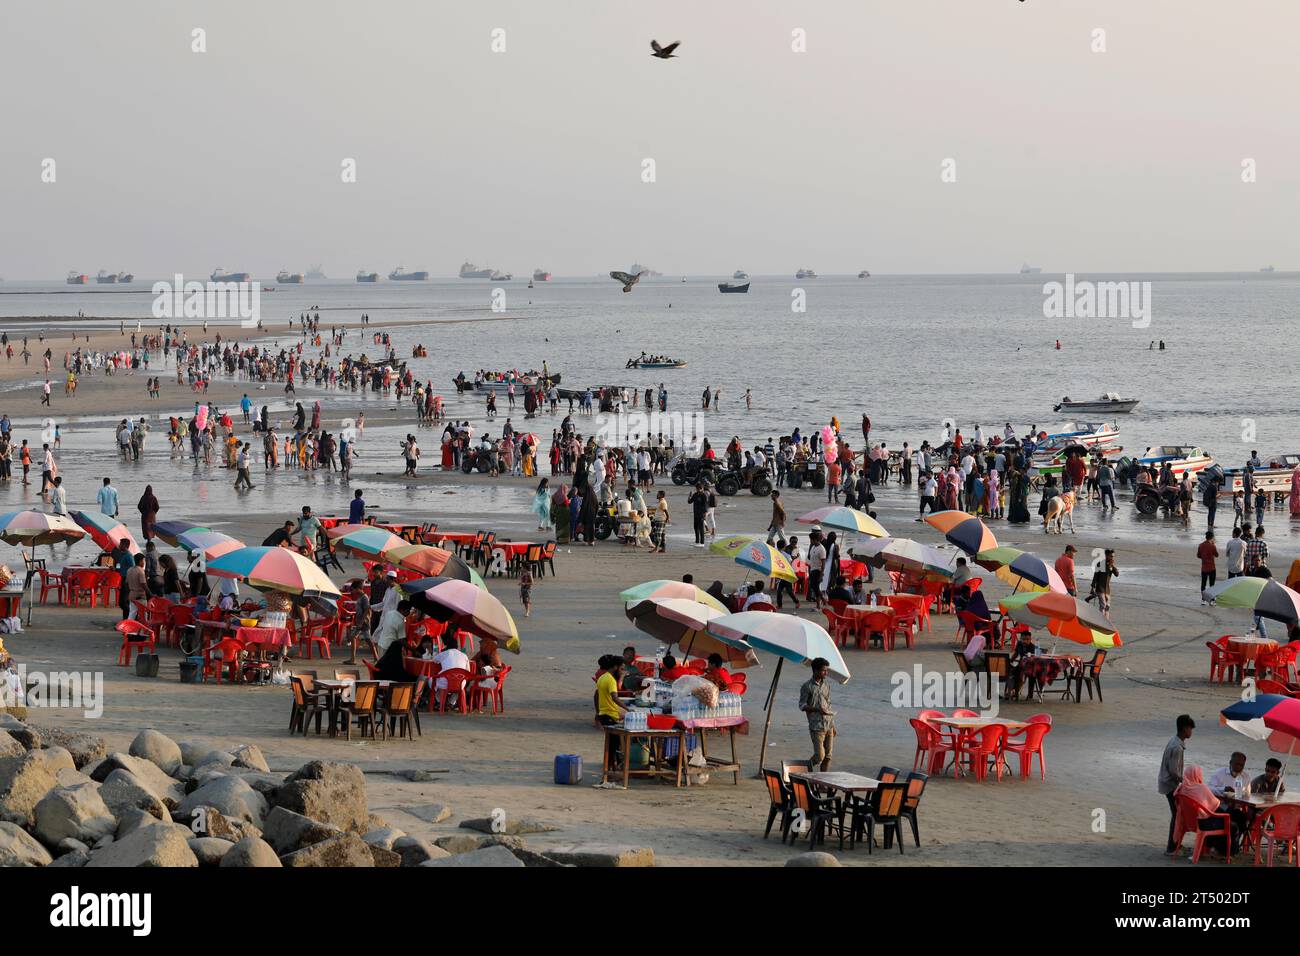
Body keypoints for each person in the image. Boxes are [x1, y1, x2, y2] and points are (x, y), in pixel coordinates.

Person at [1174, 766, 1239, 857]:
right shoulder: (1200, 788)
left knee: (1226, 820)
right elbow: (1215, 804)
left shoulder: (1181, 788)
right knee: (1233, 825)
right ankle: (1229, 852)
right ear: (1198, 775)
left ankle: (1216, 848)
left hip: (1188, 822)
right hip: (1203, 823)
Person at [1158, 714, 1194, 854]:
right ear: (1185, 729)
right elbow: (1174, 771)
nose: (1191, 732)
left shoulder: (1174, 741)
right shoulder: (1177, 747)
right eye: (1190, 729)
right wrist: (1184, 781)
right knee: (1176, 815)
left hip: (1166, 782)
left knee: (1177, 814)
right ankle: (1172, 846)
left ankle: (1174, 844)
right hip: (1170, 784)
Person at [799, 657, 836, 772]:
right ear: (815, 671)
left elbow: (828, 705)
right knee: (820, 756)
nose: (826, 673)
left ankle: (822, 782)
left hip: (828, 725)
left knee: (828, 757)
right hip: (816, 727)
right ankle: (803, 770)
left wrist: (833, 726)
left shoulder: (826, 686)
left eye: (826, 670)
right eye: (824, 671)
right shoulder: (807, 686)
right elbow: (802, 705)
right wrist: (817, 709)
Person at [342, 579, 370, 664]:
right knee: (353, 637)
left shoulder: (364, 597)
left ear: (358, 589)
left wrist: (361, 622)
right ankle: (352, 659)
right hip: (360, 622)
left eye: (352, 589)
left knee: (368, 640)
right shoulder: (360, 597)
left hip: (363, 622)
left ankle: (376, 658)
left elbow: (366, 610)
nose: (352, 592)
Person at [124, 553, 151, 620]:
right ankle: (144, 627)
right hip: (140, 596)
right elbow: (143, 584)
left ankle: (128, 627)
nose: (144, 563)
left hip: (132, 594)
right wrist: (150, 594)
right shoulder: (141, 571)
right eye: (143, 561)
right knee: (144, 613)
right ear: (140, 561)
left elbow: (126, 584)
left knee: (132, 612)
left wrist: (128, 593)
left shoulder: (129, 570)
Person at [1197, 531, 1219, 603]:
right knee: (1212, 584)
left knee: (1203, 584)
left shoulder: (1201, 545)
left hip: (1204, 567)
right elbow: (1216, 555)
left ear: (1206, 537)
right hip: (1212, 568)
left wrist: (1204, 557)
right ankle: (1212, 600)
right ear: (1212, 537)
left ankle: (1203, 599)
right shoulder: (1212, 546)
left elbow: (1198, 555)